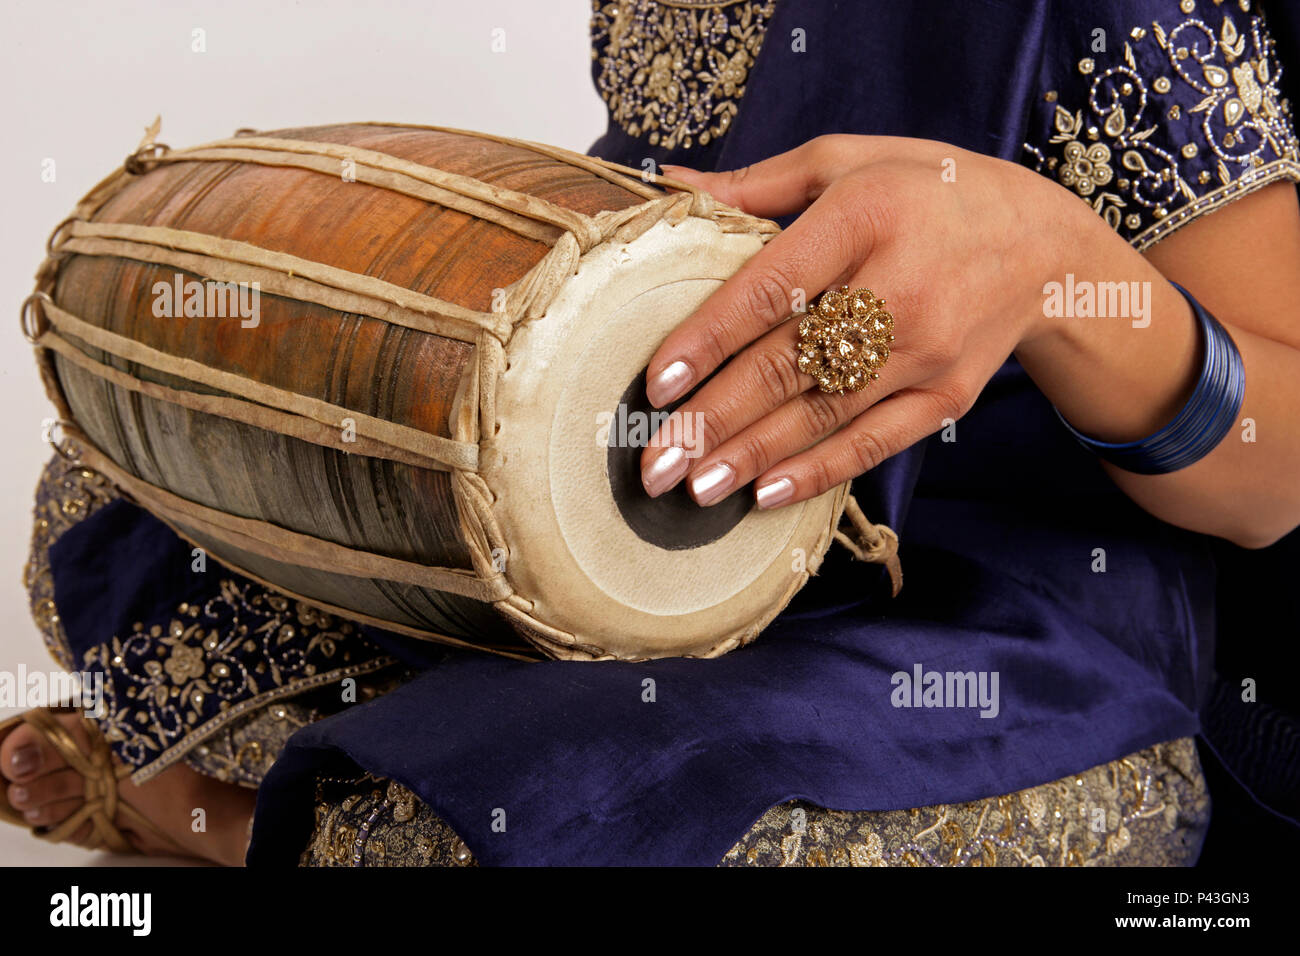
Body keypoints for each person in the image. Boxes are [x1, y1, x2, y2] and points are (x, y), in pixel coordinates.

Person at [4, 0, 1298, 866]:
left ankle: (233, 826)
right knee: (106, 526)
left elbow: (1276, 474)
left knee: (497, 819)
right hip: (677, 519)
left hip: (1007, 619)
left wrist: (1046, 254)